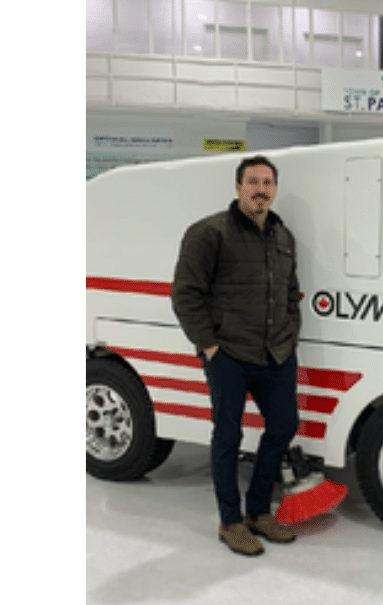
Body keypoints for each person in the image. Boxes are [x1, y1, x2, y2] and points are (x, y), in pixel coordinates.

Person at [170, 155, 302, 557]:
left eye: (268, 182)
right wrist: (210, 347)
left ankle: (258, 512)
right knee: (228, 435)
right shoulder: (209, 233)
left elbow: (290, 293)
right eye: (253, 181)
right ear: (238, 186)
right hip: (229, 353)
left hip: (276, 352)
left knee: (283, 425)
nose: (261, 189)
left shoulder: (283, 236)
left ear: (274, 189)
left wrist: (290, 333)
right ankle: (230, 521)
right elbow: (185, 295)